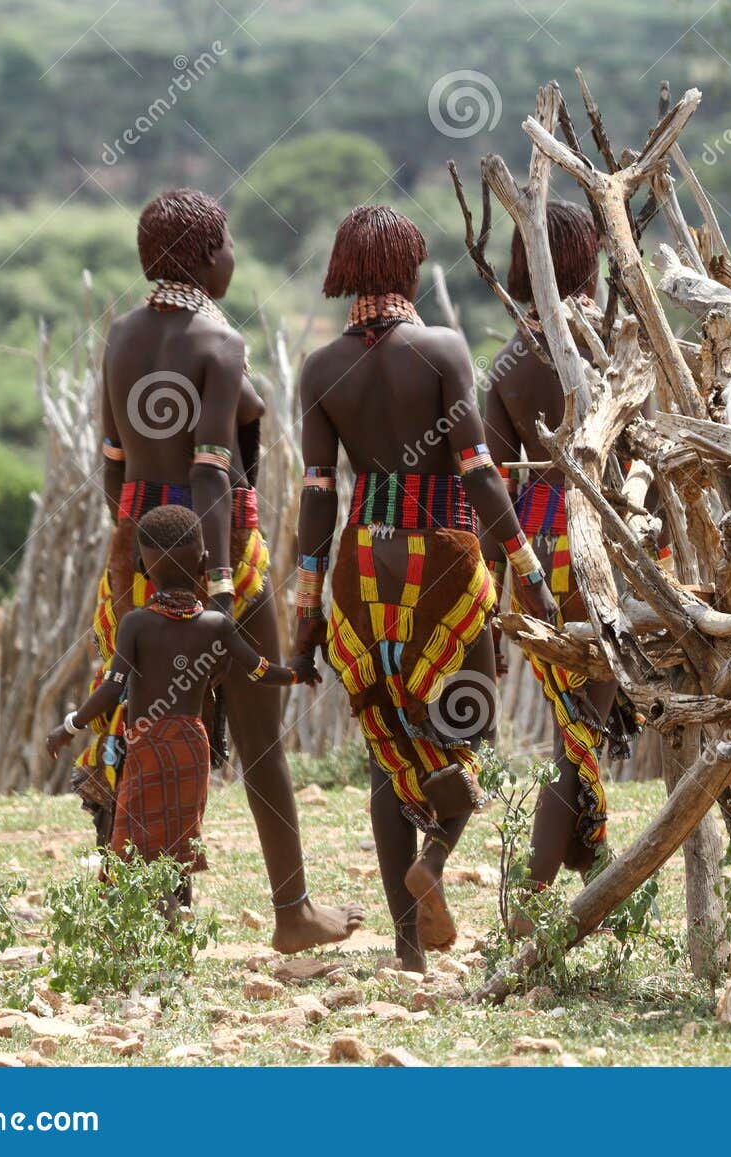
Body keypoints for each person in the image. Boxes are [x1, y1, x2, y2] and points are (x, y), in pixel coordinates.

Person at [74, 187, 361, 952]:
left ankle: (143, 918)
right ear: (205, 255)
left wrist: (138, 543)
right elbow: (209, 473)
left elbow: (110, 461)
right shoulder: (220, 340)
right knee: (260, 737)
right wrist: (222, 581)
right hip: (216, 547)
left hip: (139, 550)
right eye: (228, 241)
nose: (234, 253)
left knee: (144, 727)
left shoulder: (123, 337)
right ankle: (293, 911)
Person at [290, 205, 558, 973]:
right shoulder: (441, 349)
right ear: (406, 270)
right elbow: (477, 470)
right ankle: (435, 857)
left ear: (347, 270)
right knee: (467, 729)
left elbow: (316, 498)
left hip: (361, 566)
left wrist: (306, 622)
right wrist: (529, 574)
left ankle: (408, 947)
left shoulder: (319, 369)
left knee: (386, 746)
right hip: (442, 558)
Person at [47, 505, 319, 908]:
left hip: (146, 743)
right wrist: (296, 672)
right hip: (192, 745)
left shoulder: (136, 624)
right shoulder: (217, 625)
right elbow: (261, 672)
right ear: (205, 563)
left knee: (133, 842)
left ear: (141, 564)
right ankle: (176, 929)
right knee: (178, 840)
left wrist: (70, 726)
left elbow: (113, 689)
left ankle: (137, 932)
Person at [484, 202, 641, 893]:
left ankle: (587, 862)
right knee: (576, 734)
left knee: (576, 724)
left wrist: (496, 590)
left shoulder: (510, 359)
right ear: (587, 262)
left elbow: (489, 488)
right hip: (596, 543)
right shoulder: (613, 343)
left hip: (533, 556)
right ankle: (533, 895)